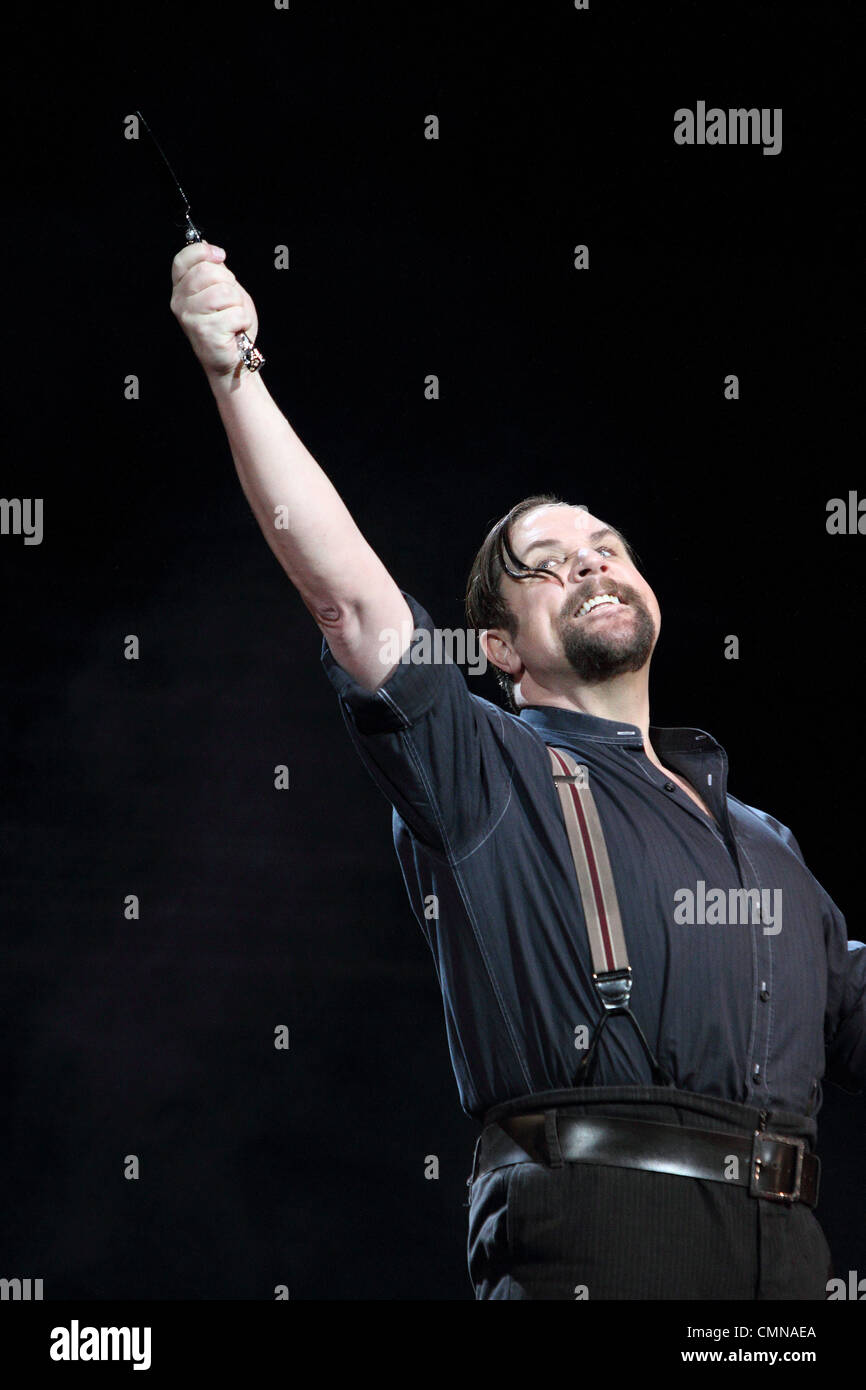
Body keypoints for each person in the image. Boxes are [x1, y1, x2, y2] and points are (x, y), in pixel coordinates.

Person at [170, 240, 866, 1300]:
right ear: (497, 648)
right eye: (546, 564)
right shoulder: (487, 772)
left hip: (791, 1268)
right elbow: (349, 600)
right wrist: (235, 372)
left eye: (607, 547)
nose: (590, 560)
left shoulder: (767, 845)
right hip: (596, 1243)